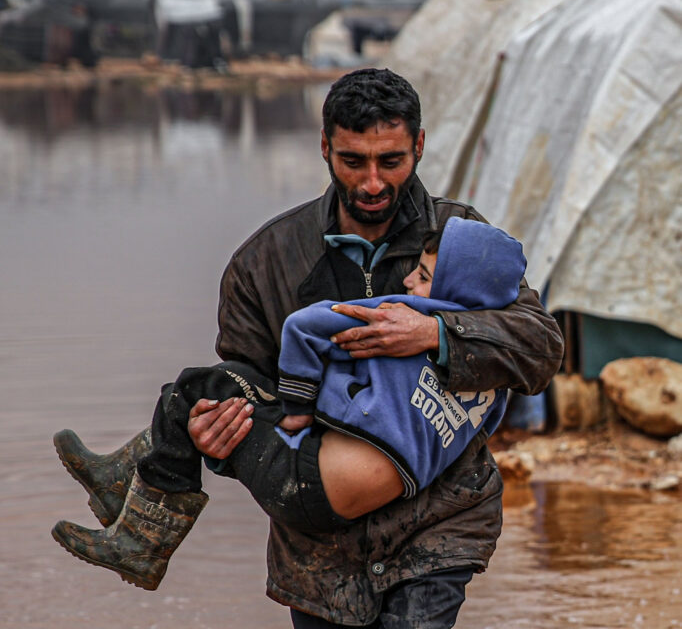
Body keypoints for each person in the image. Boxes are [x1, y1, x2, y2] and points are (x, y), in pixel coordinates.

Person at [54, 69, 564, 629]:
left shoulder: (466, 241)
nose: (373, 182)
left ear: (419, 148)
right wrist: (217, 441)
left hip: (438, 516)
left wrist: (434, 327)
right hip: (320, 537)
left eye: (391, 161)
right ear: (324, 149)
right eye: (355, 160)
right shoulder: (266, 260)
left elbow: (539, 345)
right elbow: (250, 399)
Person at [51, 216, 523, 591]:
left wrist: (298, 404)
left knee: (194, 389)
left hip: (307, 484)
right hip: (360, 494)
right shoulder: (486, 377)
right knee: (241, 383)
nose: (408, 280)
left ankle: (140, 540)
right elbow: (481, 426)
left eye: (422, 276)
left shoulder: (402, 316)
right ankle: (122, 483)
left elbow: (302, 327)